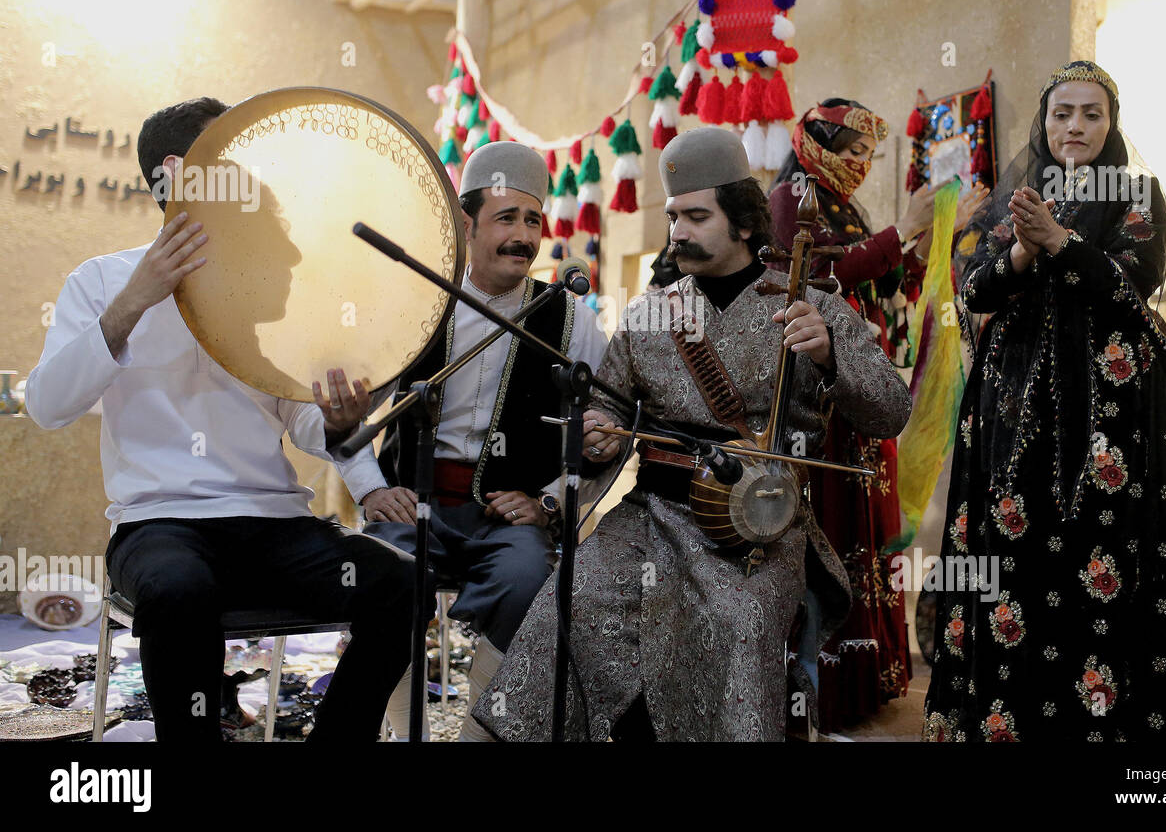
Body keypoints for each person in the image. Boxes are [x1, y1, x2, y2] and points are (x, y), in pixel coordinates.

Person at [467, 126, 913, 741]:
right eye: (674, 216)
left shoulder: (812, 305)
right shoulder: (650, 312)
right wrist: (599, 435)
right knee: (575, 602)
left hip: (754, 527)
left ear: (746, 223)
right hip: (648, 517)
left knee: (739, 626)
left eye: (696, 216)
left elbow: (890, 412)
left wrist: (835, 357)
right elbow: (603, 413)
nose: (677, 232)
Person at [24, 97, 416, 742]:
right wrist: (133, 303)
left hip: (275, 526)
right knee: (178, 591)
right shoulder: (100, 282)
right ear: (179, 175)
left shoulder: (268, 282)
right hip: (160, 525)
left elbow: (301, 417)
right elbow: (47, 406)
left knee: (399, 584)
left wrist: (343, 425)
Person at [923, 61, 1166, 741]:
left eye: (1092, 113)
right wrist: (1024, 254)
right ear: (1045, 119)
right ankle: (1016, 713)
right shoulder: (1015, 197)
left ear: (1111, 123)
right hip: (1015, 413)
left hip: (1117, 411)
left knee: (1106, 550)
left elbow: (1134, 280)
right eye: (1063, 112)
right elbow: (974, 289)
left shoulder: (1139, 192)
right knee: (1016, 556)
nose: (1076, 126)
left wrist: (1059, 242)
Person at [366, 141, 607, 740]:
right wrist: (369, 489)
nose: (523, 237)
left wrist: (551, 501)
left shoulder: (568, 314)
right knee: (381, 580)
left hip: (508, 520)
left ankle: (480, 736)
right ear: (466, 224)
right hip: (412, 508)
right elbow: (343, 417)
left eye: (532, 221)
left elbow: (612, 424)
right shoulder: (417, 302)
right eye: (507, 219)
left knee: (529, 582)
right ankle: (405, 734)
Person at [767, 99, 988, 730]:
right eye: (853, 152)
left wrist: (922, 239)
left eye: (868, 156)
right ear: (818, 143)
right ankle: (822, 691)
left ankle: (867, 680)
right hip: (821, 392)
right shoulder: (790, 198)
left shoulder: (845, 207)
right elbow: (810, 281)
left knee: (868, 534)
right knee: (835, 531)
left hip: (862, 386)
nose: (860, 165)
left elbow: (881, 286)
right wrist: (897, 232)